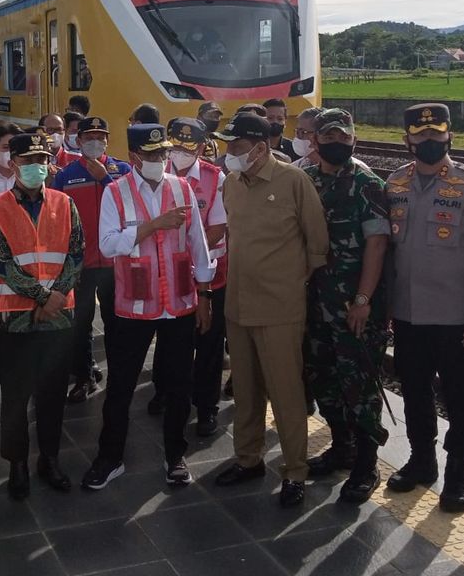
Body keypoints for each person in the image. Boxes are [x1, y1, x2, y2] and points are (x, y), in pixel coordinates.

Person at [83, 124, 215, 490]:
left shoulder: (181, 188)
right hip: (132, 307)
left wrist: (204, 297)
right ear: (135, 157)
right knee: (121, 386)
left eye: (164, 153)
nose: (161, 160)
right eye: (154, 154)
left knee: (178, 384)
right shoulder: (116, 192)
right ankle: (110, 457)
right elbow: (108, 245)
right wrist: (152, 226)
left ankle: (175, 455)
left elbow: (199, 246)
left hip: (178, 305)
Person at [383, 104, 464, 512]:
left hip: (456, 319)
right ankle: (421, 460)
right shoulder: (394, 183)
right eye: (421, 135)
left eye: (437, 134)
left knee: (461, 398)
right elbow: (387, 254)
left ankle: (459, 473)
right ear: (407, 140)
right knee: (414, 392)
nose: (429, 141)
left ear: (449, 136)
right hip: (409, 315)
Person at [209, 114, 328, 507]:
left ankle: (295, 470)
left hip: (279, 308)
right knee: (245, 390)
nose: (230, 155)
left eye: (237, 148)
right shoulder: (231, 183)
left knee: (286, 393)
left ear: (260, 148)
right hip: (238, 306)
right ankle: (248, 458)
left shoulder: (294, 182)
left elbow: (316, 247)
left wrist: (287, 282)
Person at [0, 133, 84, 499]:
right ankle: (18, 463)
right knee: (15, 395)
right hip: (16, 316)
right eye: (28, 161)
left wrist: (54, 299)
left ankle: (50, 459)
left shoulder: (65, 203)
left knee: (52, 393)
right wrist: (43, 296)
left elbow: (76, 255)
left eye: (42, 159)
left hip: (58, 317)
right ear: (13, 164)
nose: (36, 167)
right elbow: (1, 262)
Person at [301, 108, 391, 504]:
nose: (337, 142)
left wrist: (362, 300)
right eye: (329, 136)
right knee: (322, 377)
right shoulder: (306, 180)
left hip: (354, 306)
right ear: (316, 141)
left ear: (353, 140)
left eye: (343, 136)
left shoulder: (367, 184)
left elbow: (377, 243)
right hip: (314, 302)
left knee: (360, 385)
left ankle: (366, 464)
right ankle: (341, 447)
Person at [155, 118, 229, 436]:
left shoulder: (216, 178)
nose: (182, 152)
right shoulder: (157, 174)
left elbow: (217, 228)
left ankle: (206, 408)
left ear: (201, 147)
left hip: (211, 274)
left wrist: (189, 253)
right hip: (170, 276)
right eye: (177, 145)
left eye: (190, 146)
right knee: (172, 339)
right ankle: (167, 392)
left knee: (210, 343)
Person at [53, 116, 130, 402]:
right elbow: (57, 218)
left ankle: (120, 377)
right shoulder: (65, 175)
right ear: (79, 141)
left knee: (116, 323)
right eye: (89, 137)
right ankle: (84, 377)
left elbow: (131, 206)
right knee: (80, 323)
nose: (95, 142)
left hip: (114, 264)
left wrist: (105, 179)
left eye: (101, 136)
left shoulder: (122, 171)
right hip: (80, 264)